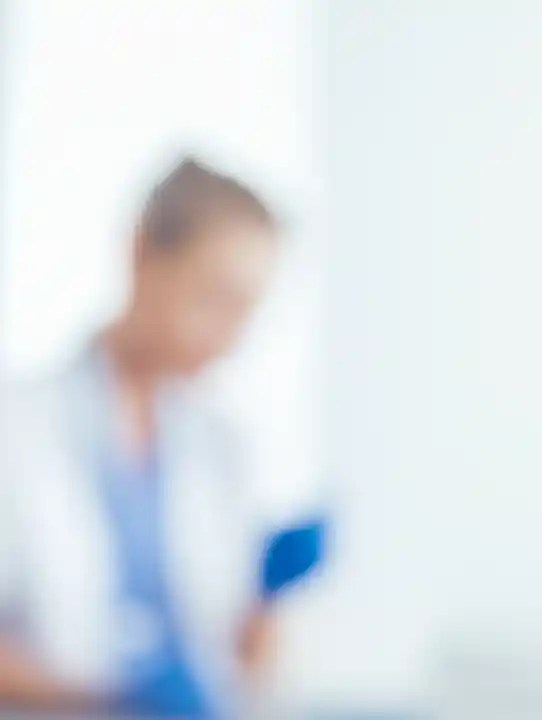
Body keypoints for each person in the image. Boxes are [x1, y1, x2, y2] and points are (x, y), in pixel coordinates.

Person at [0, 156, 325, 717]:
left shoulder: (222, 444)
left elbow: (237, 669)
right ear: (141, 254)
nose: (232, 335)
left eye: (247, 309)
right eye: (215, 298)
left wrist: (270, 597)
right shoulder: (19, 426)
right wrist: (109, 697)